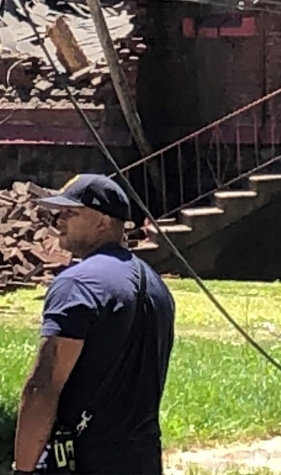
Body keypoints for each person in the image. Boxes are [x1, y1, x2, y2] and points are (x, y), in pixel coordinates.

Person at [13, 173, 176, 475]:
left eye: (70, 213)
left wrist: (22, 469)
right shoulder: (156, 286)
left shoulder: (77, 284)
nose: (58, 220)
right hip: (141, 459)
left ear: (103, 221)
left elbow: (43, 386)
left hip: (84, 460)